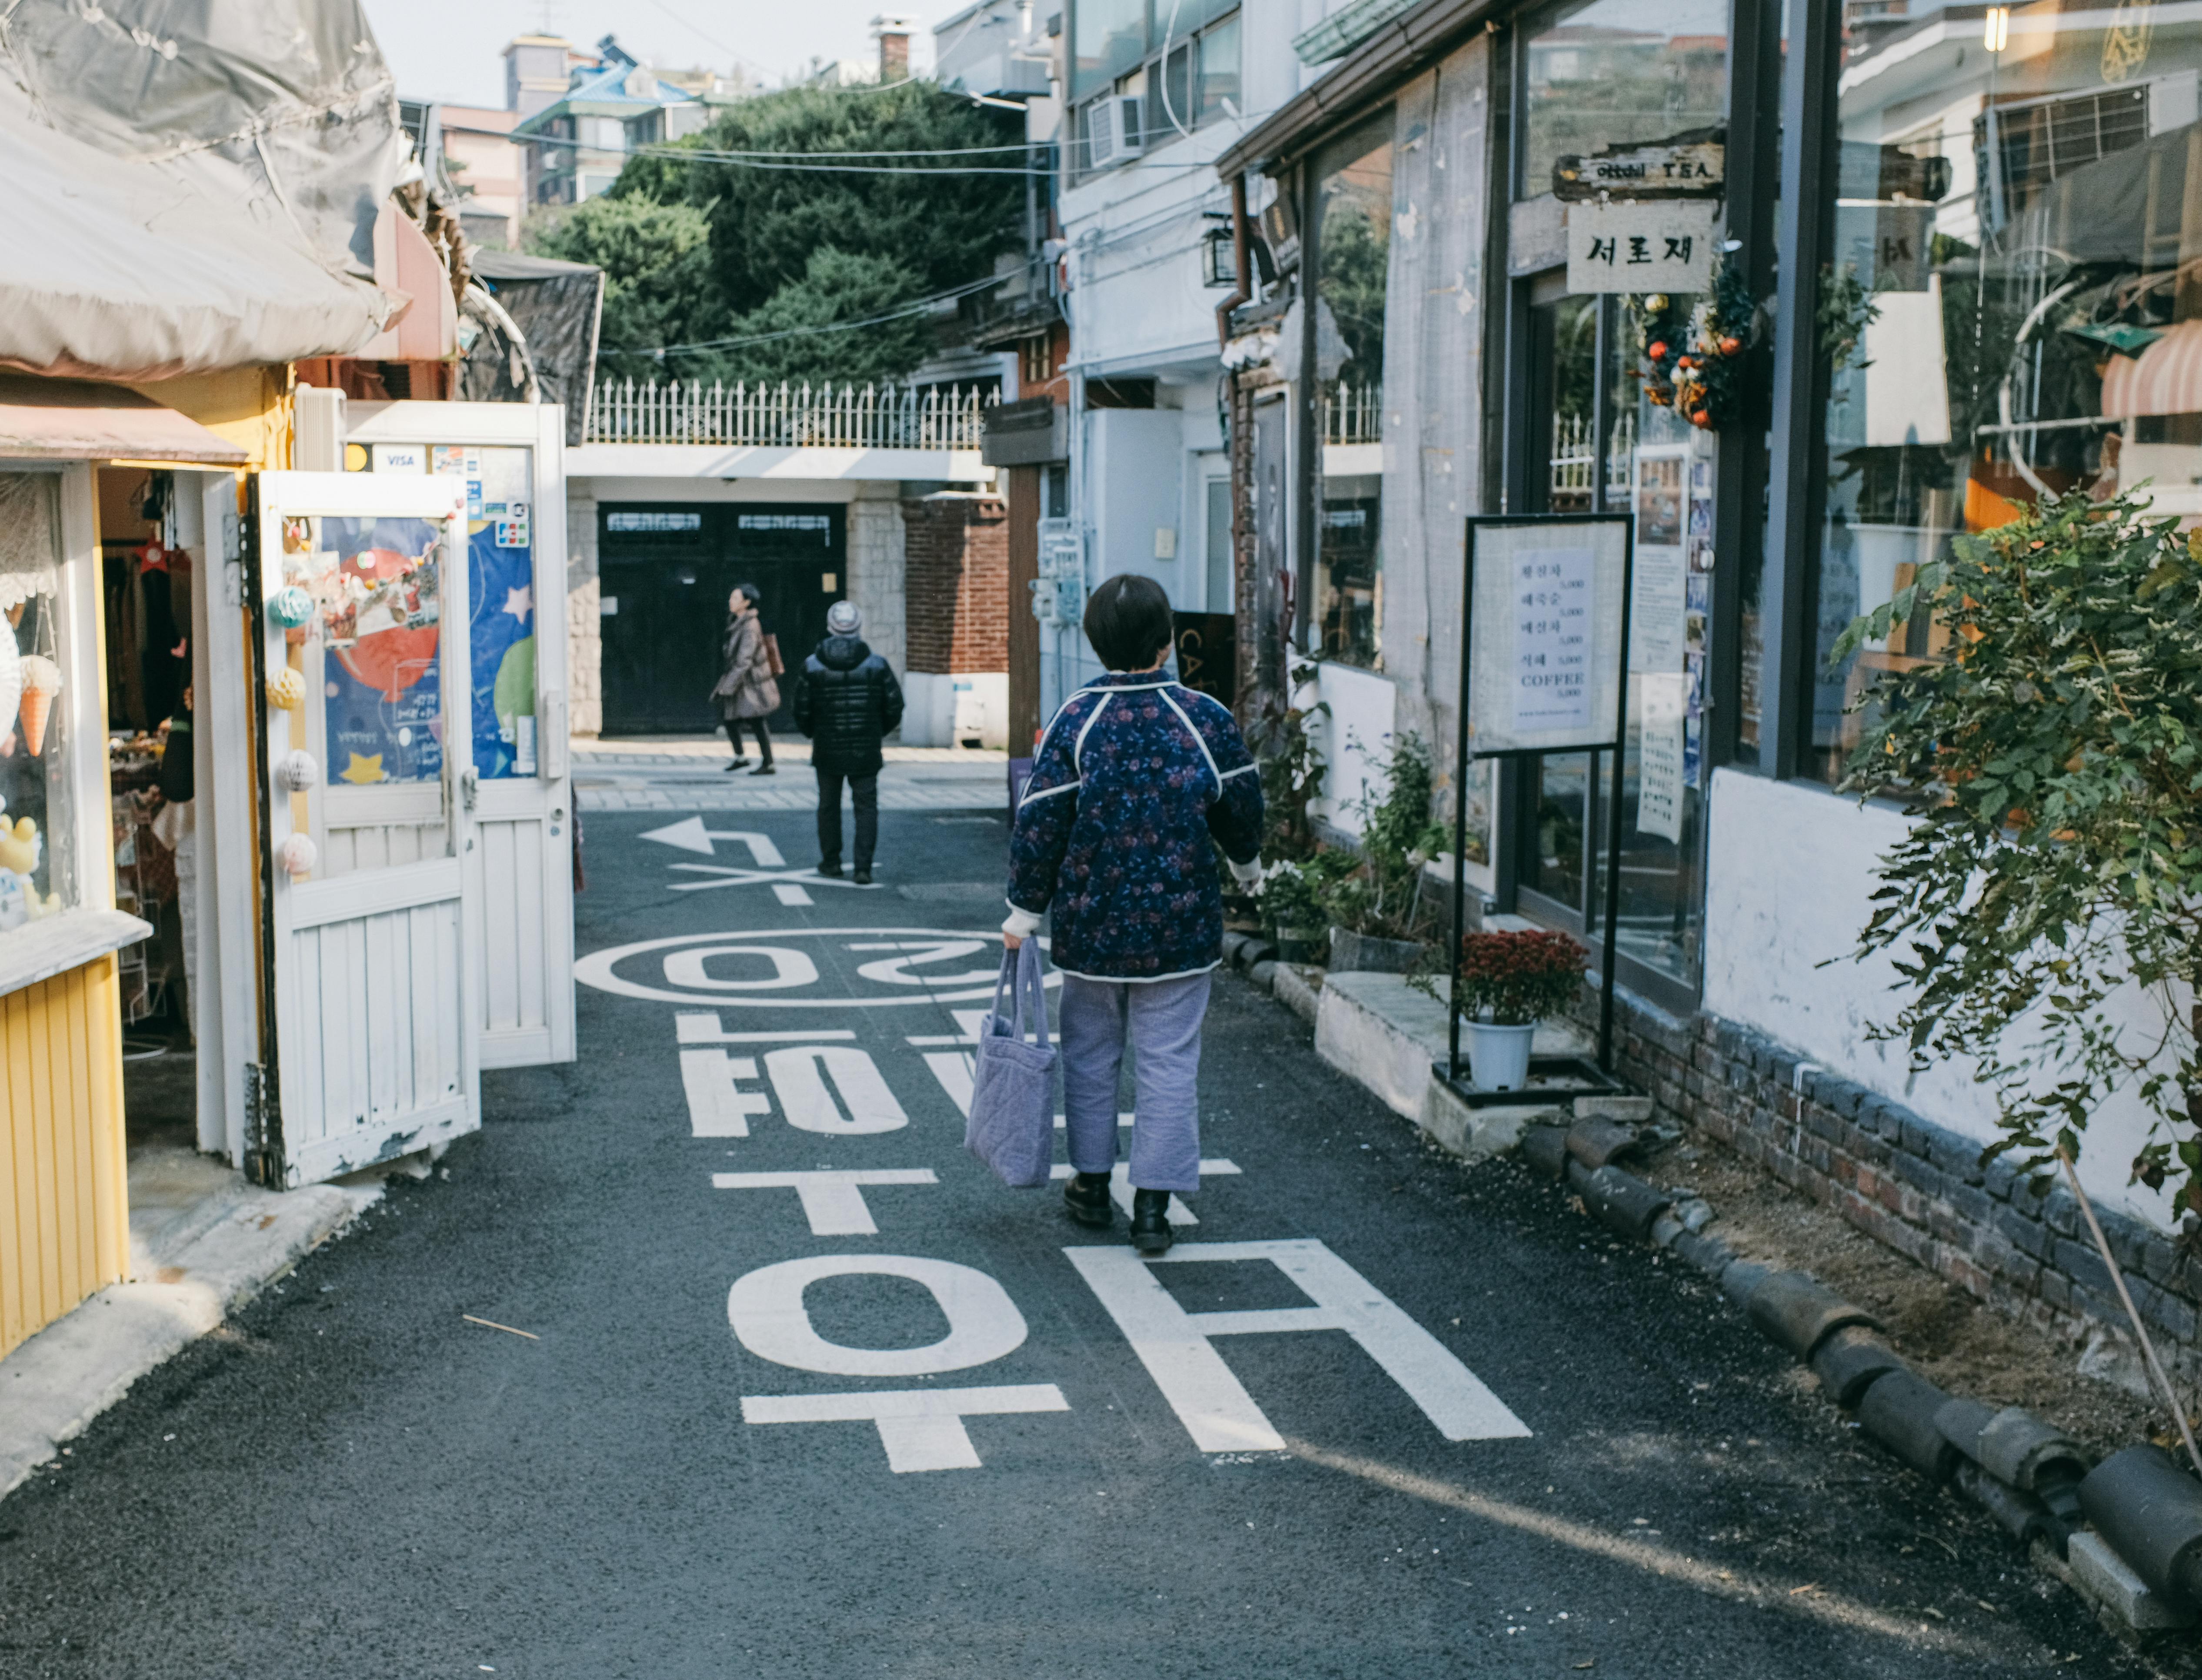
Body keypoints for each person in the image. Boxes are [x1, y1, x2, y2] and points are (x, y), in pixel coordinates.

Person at [1002, 573, 1264, 1254]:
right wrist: (1248, 869)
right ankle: (1153, 1206)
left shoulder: (1077, 718)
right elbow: (1241, 808)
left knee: (1091, 1053)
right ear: (1165, 638)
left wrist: (1024, 912)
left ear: (1095, 642)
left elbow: (1041, 820)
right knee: (1169, 1059)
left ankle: (1090, 1184)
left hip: (1091, 928)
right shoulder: (1203, 716)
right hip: (1182, 929)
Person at [793, 600, 903, 884]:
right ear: (858, 628)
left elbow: (801, 709)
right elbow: (895, 706)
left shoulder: (813, 665)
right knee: (866, 807)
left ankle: (831, 862)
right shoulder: (877, 664)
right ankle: (863, 867)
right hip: (865, 747)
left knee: (828, 806)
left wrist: (813, 733)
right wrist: (876, 731)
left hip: (827, 746)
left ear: (830, 628)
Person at [712, 583, 778, 775]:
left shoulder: (750, 625)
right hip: (743, 679)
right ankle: (741, 757)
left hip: (751, 681)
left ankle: (769, 763)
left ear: (746, 603)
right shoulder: (738, 621)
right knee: (730, 718)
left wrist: (729, 686)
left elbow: (745, 659)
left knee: (757, 720)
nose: (730, 601)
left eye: (735, 598)